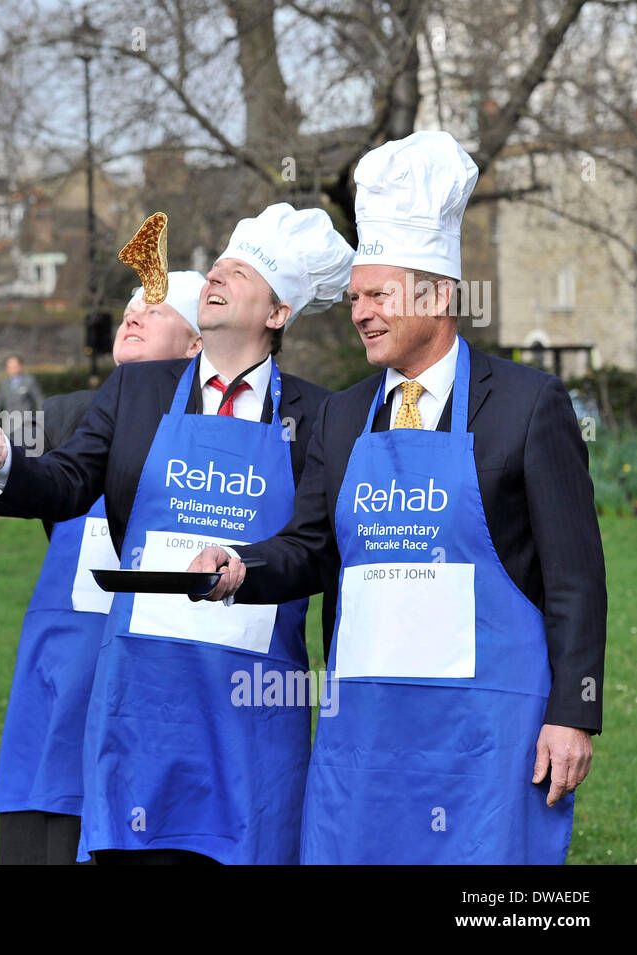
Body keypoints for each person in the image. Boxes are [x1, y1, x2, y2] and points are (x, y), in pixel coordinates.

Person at [194, 131, 607, 864]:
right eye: (355, 297)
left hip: (488, 735)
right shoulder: (342, 414)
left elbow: (575, 576)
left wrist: (573, 712)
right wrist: (238, 566)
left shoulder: (527, 405)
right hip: (369, 738)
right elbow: (311, 546)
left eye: (379, 294)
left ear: (439, 294)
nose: (361, 313)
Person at [0, 203, 354, 864]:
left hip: (249, 701)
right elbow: (67, 481)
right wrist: (3, 462)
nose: (218, 276)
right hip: (142, 690)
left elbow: (316, 550)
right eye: (218, 266)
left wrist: (244, 567)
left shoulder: (323, 416)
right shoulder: (136, 390)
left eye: (242, 275)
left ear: (278, 313)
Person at [0, 271, 206, 865]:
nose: (131, 316)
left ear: (196, 345)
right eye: (129, 308)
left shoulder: (225, 432)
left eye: (155, 311)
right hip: (62, 690)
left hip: (161, 690)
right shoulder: (65, 416)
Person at [0, 354, 44, 443]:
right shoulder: (4, 384)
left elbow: (39, 399)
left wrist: (40, 417)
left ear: (20, 366)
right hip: (9, 422)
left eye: (14, 366)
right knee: (9, 445)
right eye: (9, 366)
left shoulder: (29, 381)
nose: (12, 369)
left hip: (26, 422)